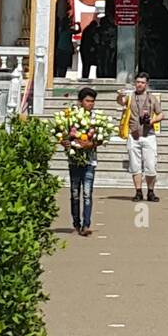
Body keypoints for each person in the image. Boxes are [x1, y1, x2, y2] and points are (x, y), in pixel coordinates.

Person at [117, 71, 163, 203]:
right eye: (137, 82)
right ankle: (138, 191)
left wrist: (152, 121)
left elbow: (160, 114)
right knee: (135, 165)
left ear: (147, 84)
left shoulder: (152, 98)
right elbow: (121, 102)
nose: (139, 85)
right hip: (134, 134)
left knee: (151, 166)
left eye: (142, 82)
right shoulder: (130, 97)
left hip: (148, 135)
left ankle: (150, 191)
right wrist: (120, 96)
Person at [64, 87, 100, 237]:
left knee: (87, 193)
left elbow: (100, 138)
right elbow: (63, 134)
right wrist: (66, 142)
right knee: (74, 193)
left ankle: (86, 224)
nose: (90, 104)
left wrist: (90, 144)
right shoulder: (71, 117)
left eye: (92, 101)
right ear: (80, 102)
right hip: (74, 160)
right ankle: (76, 222)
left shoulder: (96, 118)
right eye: (87, 101)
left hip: (90, 161)